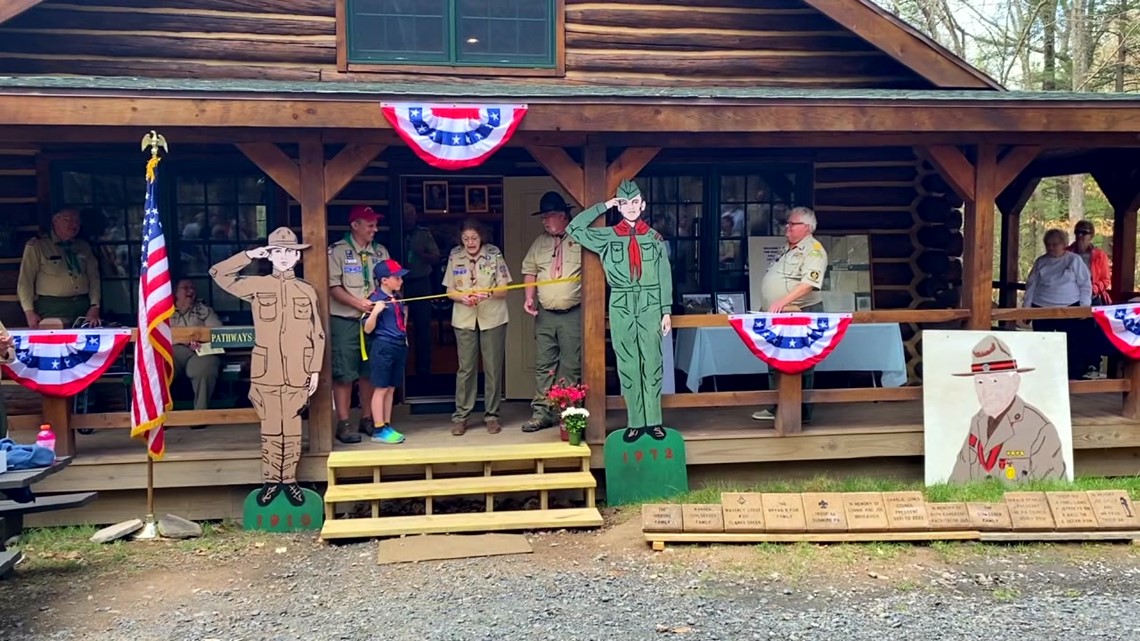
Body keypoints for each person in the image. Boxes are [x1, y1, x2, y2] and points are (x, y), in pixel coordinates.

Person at [210, 227, 325, 508]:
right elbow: (218, 273)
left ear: (297, 257)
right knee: (271, 427)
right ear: (269, 255)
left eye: (289, 252)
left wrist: (314, 369)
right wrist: (249, 255)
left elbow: (317, 332)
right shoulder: (257, 286)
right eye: (277, 251)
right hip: (267, 369)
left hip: (298, 368)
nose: (284, 256)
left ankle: (290, 480)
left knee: (293, 428)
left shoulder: (306, 290)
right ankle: (272, 480)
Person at [566, 179, 672, 444]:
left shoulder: (654, 239)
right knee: (627, 363)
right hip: (621, 302)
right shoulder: (608, 236)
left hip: (650, 302)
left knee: (652, 362)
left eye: (635, 202)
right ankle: (635, 422)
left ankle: (654, 421)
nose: (631, 207)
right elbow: (574, 228)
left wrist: (666, 310)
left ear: (643, 205)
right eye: (625, 203)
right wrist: (604, 206)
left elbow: (664, 275)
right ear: (619, 207)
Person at [949, 334, 1066, 483]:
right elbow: (956, 483)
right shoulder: (977, 422)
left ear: (1015, 383)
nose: (986, 391)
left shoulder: (1039, 429)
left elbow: (1052, 489)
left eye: (995, 381)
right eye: (980, 382)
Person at [752, 207, 828, 423]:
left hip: (800, 313)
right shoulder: (787, 248)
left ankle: (801, 412)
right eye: (788, 223)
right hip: (778, 314)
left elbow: (809, 284)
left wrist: (781, 302)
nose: (788, 227)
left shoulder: (814, 250)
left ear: (807, 227)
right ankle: (776, 406)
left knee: (802, 362)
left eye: (793, 224)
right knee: (774, 360)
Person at [327, 205, 390, 444]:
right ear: (355, 225)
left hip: (375, 320)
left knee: (370, 371)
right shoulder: (337, 251)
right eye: (370, 225)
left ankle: (367, 417)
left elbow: (390, 282)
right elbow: (332, 286)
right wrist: (357, 303)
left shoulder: (381, 251)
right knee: (344, 372)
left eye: (376, 224)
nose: (375, 229)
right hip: (346, 320)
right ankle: (344, 422)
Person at [521, 192, 582, 433]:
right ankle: (541, 414)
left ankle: (569, 415)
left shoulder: (581, 238)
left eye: (548, 216)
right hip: (545, 314)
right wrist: (529, 297)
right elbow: (530, 271)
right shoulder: (540, 242)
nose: (544, 221)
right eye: (543, 217)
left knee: (571, 365)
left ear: (563, 216)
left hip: (574, 313)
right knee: (544, 365)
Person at [443, 219, 511, 435]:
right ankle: (461, 417)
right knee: (466, 368)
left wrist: (488, 293)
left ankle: (492, 415)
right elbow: (449, 290)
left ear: (482, 237)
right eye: (465, 238)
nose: (470, 242)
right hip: (464, 318)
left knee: (493, 368)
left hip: (492, 317)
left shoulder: (494, 253)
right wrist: (462, 297)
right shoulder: (455, 255)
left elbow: (504, 289)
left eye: (474, 238)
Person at [1023, 228, 1091, 380]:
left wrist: (1084, 307)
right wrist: (1027, 309)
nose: (1051, 247)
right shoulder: (1041, 262)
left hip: (1069, 307)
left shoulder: (1074, 260)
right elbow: (1031, 285)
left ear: (1064, 244)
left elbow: (1085, 284)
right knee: (1043, 342)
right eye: (1048, 244)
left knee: (1071, 343)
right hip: (1041, 307)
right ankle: (1043, 375)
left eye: (1055, 244)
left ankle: (1072, 376)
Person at [18, 209, 102, 328]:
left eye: (77, 221)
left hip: (83, 307)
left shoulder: (83, 246)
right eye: (67, 220)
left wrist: (95, 306)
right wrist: (29, 312)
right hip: (52, 308)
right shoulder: (38, 246)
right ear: (55, 221)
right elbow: (25, 281)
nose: (73, 224)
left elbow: (94, 278)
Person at [362, 259, 410, 445]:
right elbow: (367, 329)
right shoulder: (374, 299)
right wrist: (375, 312)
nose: (401, 281)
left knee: (391, 388)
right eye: (397, 278)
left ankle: (387, 424)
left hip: (398, 345)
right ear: (384, 280)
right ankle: (378, 429)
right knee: (381, 388)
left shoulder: (397, 297)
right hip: (383, 346)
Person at [170, 279, 223, 426]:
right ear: (175, 292)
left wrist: (201, 339)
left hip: (201, 350)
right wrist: (184, 339)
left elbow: (217, 331)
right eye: (185, 288)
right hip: (175, 350)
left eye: (192, 288)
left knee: (203, 370)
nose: (190, 291)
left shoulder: (204, 310)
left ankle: (199, 416)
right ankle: (160, 417)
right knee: (159, 367)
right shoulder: (165, 310)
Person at [1069, 219, 1113, 377]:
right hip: (1071, 298)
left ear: (1091, 235)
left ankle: (1093, 366)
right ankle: (1074, 367)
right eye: (1078, 232)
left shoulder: (1099, 255)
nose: (1080, 236)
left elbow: (1106, 280)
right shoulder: (1067, 253)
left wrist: (1092, 289)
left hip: (1093, 298)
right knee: (1074, 333)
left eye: (1084, 233)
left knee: (1093, 332)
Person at [402, 202, 441, 378]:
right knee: (397, 328)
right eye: (405, 215)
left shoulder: (423, 234)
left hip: (420, 283)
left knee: (423, 328)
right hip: (399, 285)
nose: (409, 218)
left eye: (411, 215)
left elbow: (436, 257)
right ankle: (401, 372)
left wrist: (421, 254)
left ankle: (423, 370)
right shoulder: (394, 231)